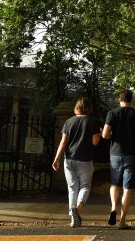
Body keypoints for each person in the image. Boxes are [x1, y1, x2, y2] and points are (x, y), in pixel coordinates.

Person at [102, 89, 135, 229]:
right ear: (131, 100)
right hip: (131, 155)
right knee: (127, 188)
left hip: (115, 154)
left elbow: (104, 134)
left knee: (115, 184)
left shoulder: (112, 113)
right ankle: (122, 221)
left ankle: (113, 208)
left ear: (119, 99)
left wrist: (112, 136)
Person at [52, 97, 101, 227]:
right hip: (85, 159)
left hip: (69, 159)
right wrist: (99, 134)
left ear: (76, 108)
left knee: (72, 188)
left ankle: (73, 220)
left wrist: (56, 158)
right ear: (89, 108)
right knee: (85, 186)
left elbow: (63, 142)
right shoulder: (92, 122)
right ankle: (77, 211)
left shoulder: (68, 122)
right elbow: (95, 142)